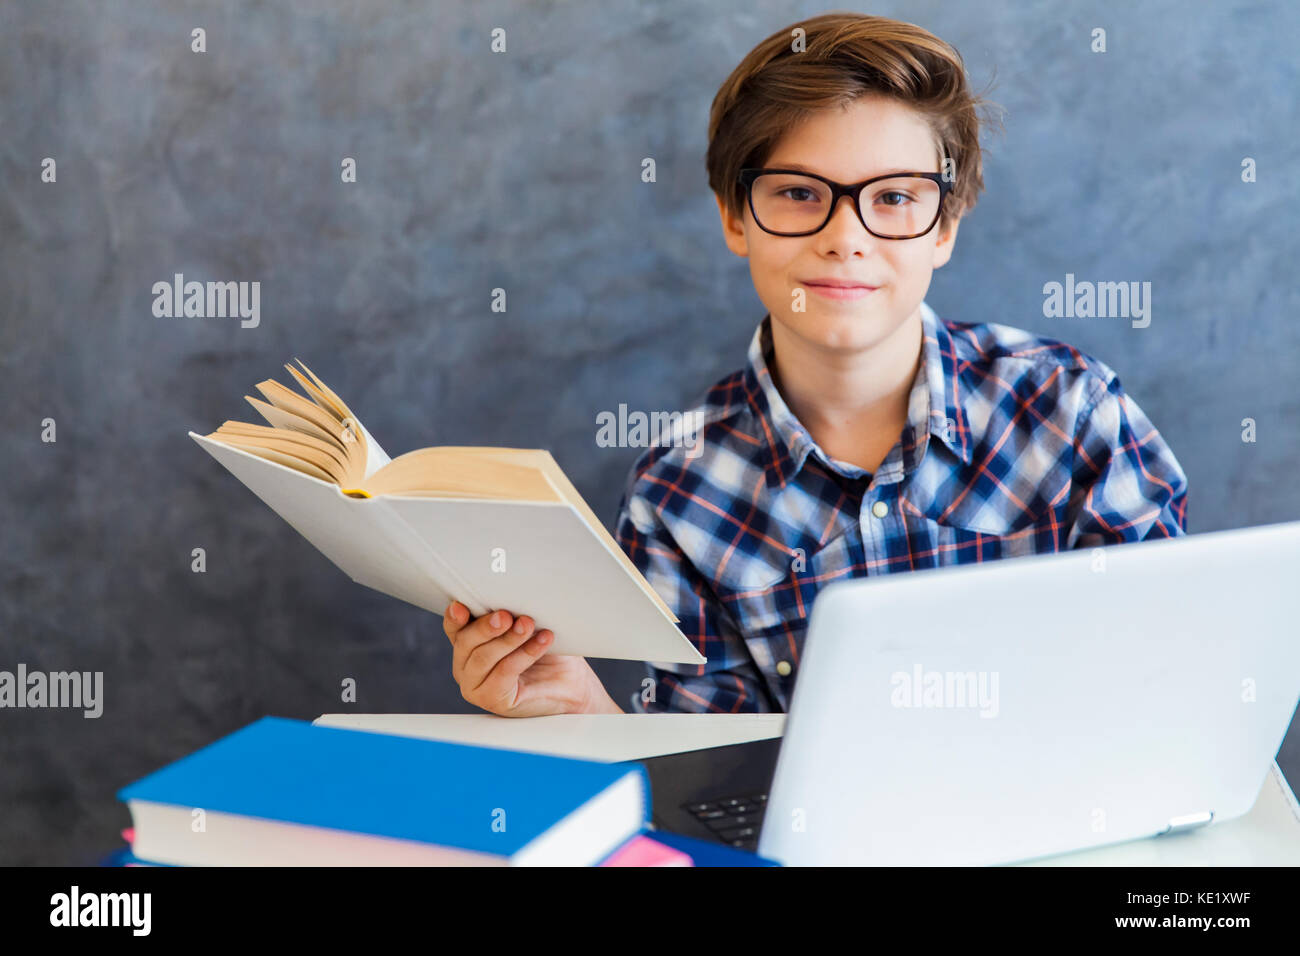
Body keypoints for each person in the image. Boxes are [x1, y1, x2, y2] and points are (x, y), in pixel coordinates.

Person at [442, 12, 1188, 717]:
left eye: (894, 197)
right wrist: (584, 712)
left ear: (945, 228)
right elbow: (709, 774)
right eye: (800, 194)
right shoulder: (678, 495)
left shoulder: (1072, 412)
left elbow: (1166, 682)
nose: (846, 237)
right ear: (736, 217)